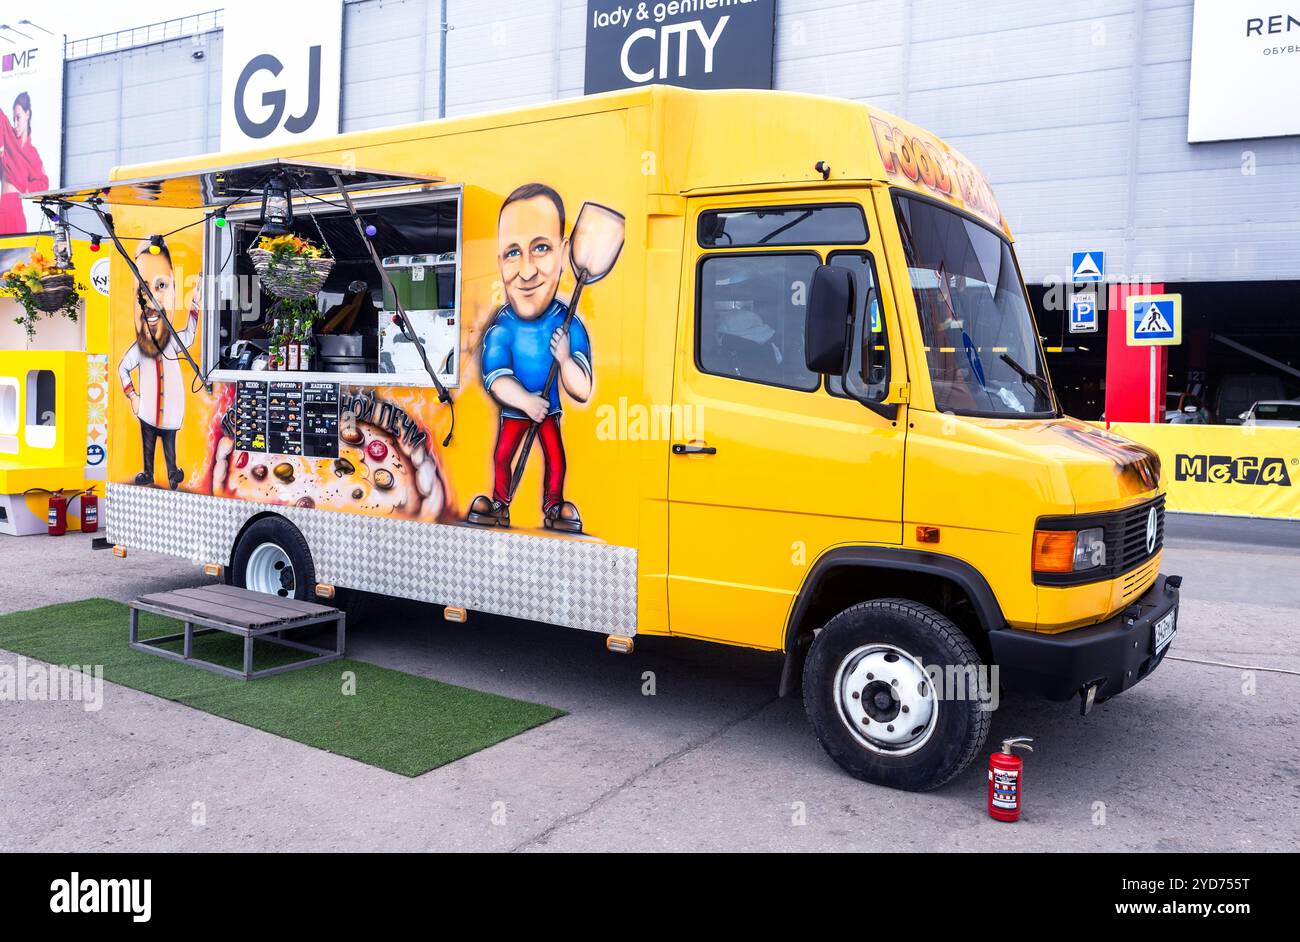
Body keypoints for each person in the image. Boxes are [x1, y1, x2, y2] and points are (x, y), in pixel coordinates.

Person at [466, 183, 592, 533]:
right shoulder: (502, 328)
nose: (526, 272)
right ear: (499, 261)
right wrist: (524, 401)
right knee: (503, 456)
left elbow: (582, 389)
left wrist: (565, 360)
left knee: (556, 457)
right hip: (514, 410)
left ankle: (554, 505)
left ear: (565, 252)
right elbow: (495, 377)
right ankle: (499, 503)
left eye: (540, 248)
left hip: (548, 409)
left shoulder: (568, 324)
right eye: (512, 253)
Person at [118, 238, 199, 489]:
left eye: (162, 285)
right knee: (148, 441)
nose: (151, 301)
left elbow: (190, 336)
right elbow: (123, 368)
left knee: (169, 441)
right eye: (142, 290)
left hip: (172, 409)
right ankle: (148, 472)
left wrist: (195, 305)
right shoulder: (139, 348)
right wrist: (132, 395)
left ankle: (173, 472)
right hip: (147, 409)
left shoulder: (172, 339)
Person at [0, 92, 50, 234]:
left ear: (27, 114)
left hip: (15, 209)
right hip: (4, 206)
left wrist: (23, 187)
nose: (15, 123)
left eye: (19, 117)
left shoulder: (31, 153)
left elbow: (43, 183)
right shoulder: (9, 135)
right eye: (14, 118)